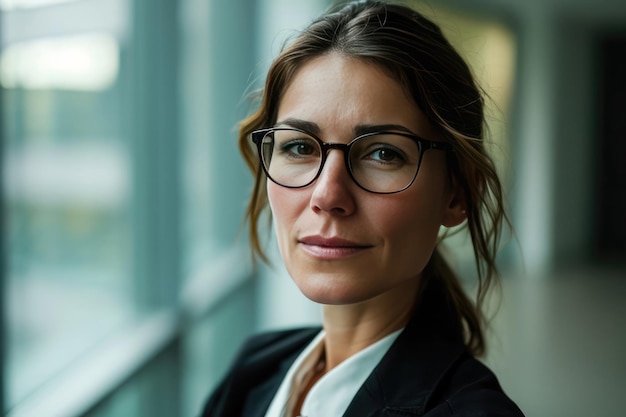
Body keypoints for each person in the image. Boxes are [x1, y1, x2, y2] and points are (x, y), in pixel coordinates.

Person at [201, 1, 524, 416]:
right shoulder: (255, 369)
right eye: (299, 147)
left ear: (457, 195)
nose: (327, 195)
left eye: (384, 154)